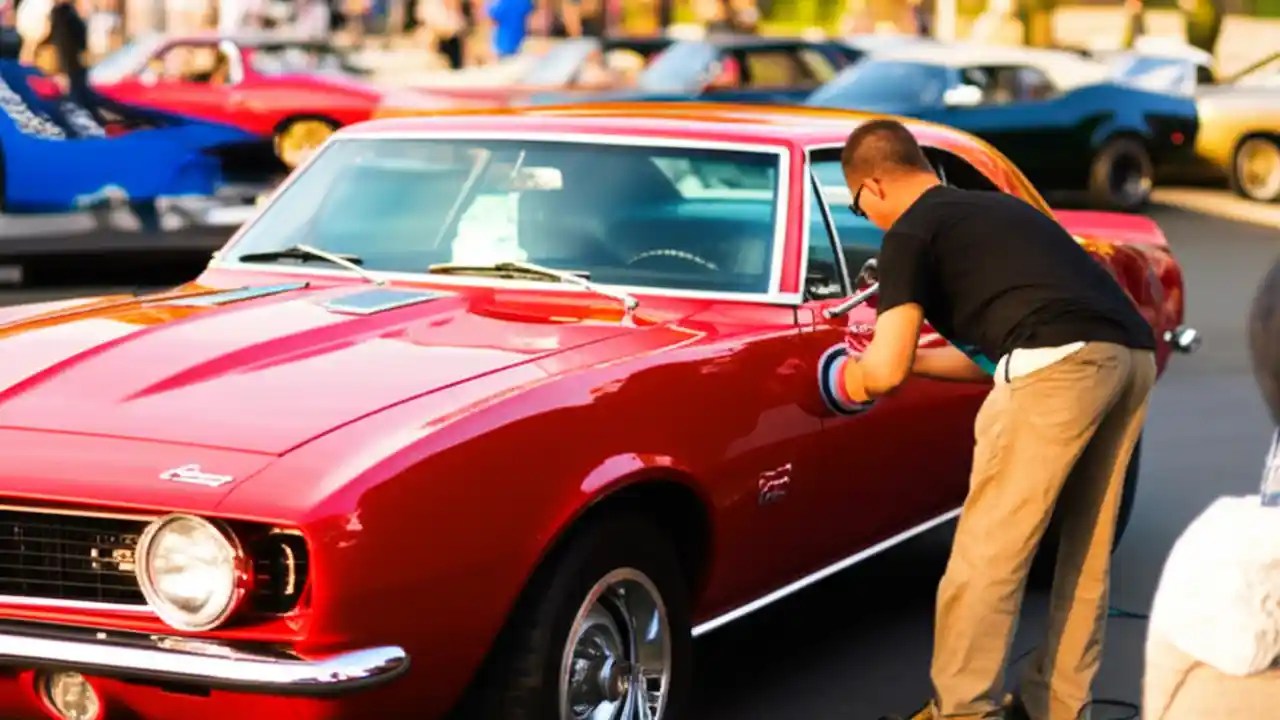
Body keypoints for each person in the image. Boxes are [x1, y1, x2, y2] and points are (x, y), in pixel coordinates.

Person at [835, 119, 1158, 720]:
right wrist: (913, 360)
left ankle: (963, 711)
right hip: (1128, 357)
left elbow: (884, 371)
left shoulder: (909, 232)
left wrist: (848, 376)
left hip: (1059, 365)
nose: (868, 218)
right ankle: (1057, 706)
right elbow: (991, 355)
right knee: (1084, 552)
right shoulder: (994, 213)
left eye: (858, 208)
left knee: (988, 554)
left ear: (873, 185)